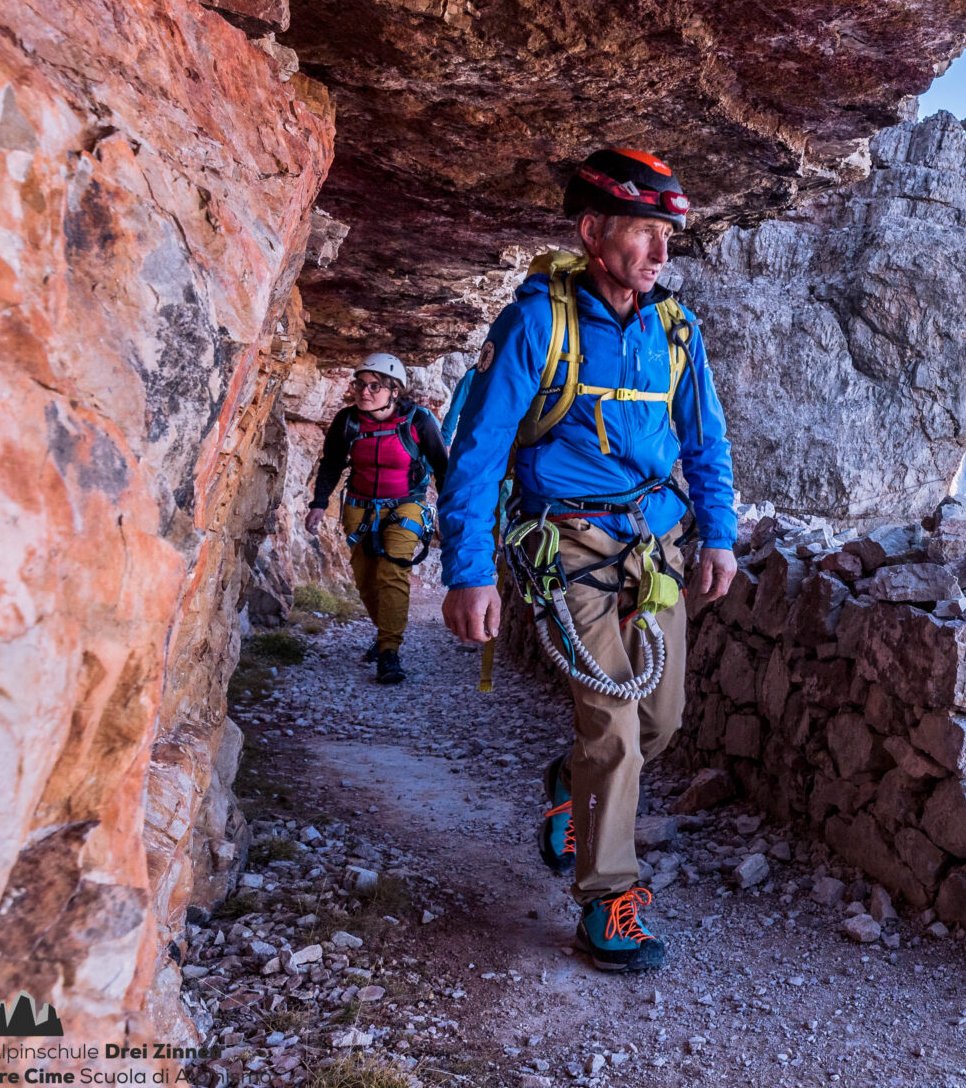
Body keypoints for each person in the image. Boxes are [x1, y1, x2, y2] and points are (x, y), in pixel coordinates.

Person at [438, 148, 738, 974]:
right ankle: (608, 900)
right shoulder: (539, 321)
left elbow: (705, 442)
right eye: (647, 233)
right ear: (593, 231)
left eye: (667, 235)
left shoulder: (675, 330)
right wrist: (467, 571)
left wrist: (719, 533)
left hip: (654, 547)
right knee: (614, 723)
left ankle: (570, 781)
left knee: (660, 720)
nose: (661, 254)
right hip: (566, 544)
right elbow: (479, 450)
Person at [305, 353, 449, 686]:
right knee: (366, 578)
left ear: (394, 390)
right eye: (360, 384)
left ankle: (389, 652)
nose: (364, 392)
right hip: (359, 507)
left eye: (374, 386)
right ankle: (385, 633)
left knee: (392, 571)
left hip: (406, 506)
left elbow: (442, 469)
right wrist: (318, 503)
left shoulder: (418, 421)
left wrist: (452, 517)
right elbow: (331, 464)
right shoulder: (347, 421)